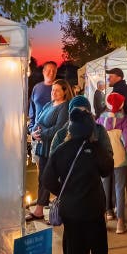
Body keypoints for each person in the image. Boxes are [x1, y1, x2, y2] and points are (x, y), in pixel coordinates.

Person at [44, 95, 113, 254]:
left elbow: (47, 179)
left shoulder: (61, 150)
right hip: (93, 210)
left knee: (73, 253)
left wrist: (63, 191)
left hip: (71, 212)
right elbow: (107, 169)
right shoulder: (95, 148)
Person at [26, 79, 72, 222]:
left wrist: (41, 133)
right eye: (52, 90)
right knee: (42, 178)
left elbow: (58, 129)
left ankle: (66, 200)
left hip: (53, 148)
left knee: (48, 179)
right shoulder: (48, 104)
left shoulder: (65, 107)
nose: (53, 92)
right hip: (42, 147)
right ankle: (40, 208)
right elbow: (37, 122)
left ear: (65, 91)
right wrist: (34, 132)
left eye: (57, 90)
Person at [97, 92, 127, 234]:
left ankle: (106, 217)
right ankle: (120, 223)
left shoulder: (100, 119)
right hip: (120, 158)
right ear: (121, 105)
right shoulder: (125, 120)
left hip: (104, 157)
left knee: (104, 188)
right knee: (119, 188)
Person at [106, 67, 127, 206]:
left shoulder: (118, 92)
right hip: (123, 135)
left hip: (117, 136)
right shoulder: (125, 90)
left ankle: (115, 206)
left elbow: (119, 117)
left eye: (111, 76)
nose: (109, 78)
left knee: (117, 174)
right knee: (124, 167)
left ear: (119, 77)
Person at [29, 61, 58, 128]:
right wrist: (31, 128)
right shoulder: (37, 87)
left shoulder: (60, 88)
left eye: (54, 71)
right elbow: (32, 110)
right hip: (37, 130)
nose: (52, 73)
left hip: (54, 131)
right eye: (49, 70)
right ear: (43, 71)